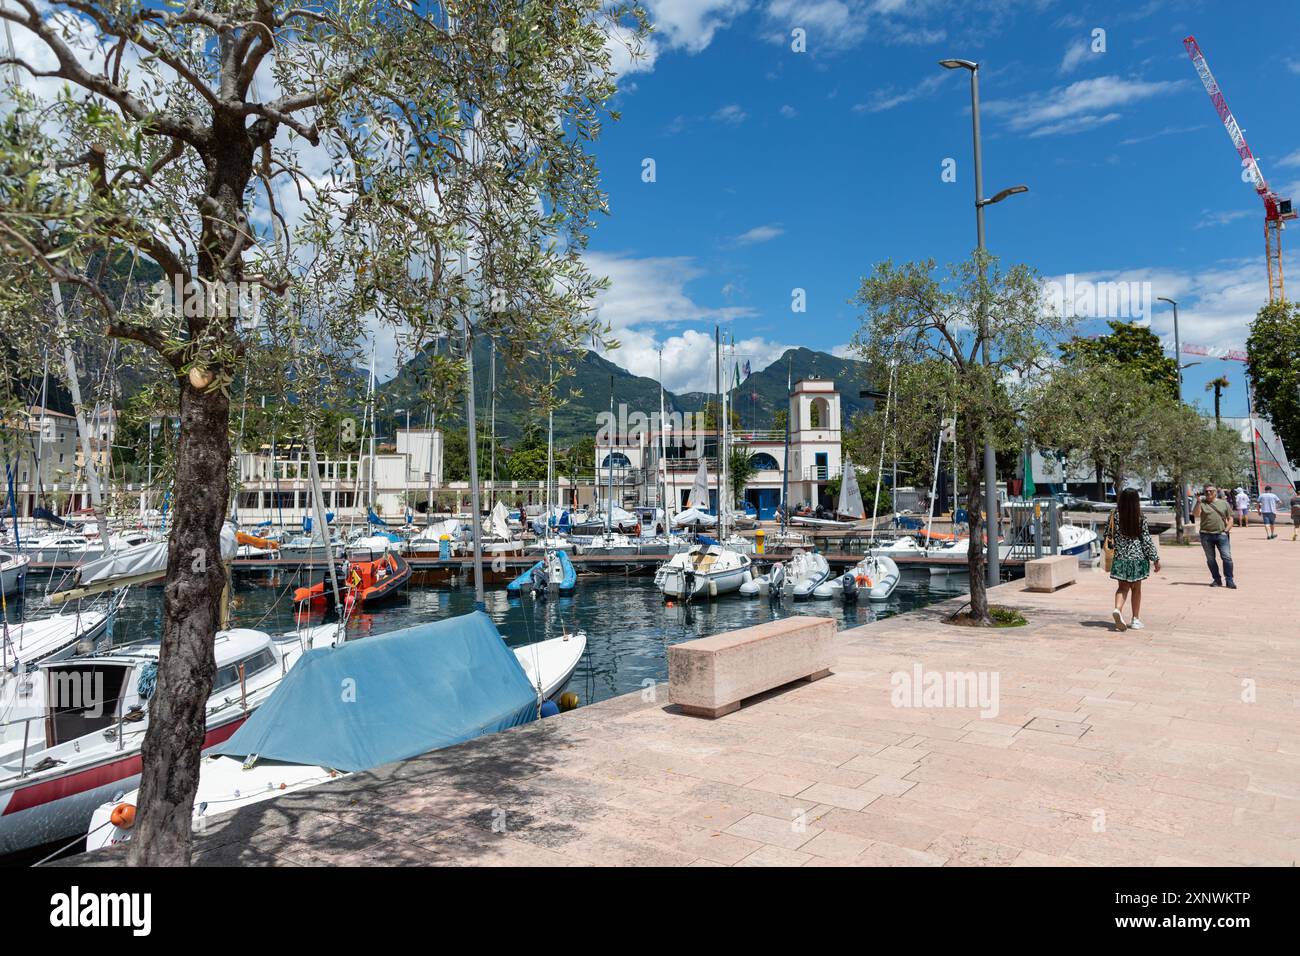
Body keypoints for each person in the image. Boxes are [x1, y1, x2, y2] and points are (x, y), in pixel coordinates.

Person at [1108, 488, 1161, 631]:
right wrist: (1155, 559)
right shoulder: (1140, 517)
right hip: (1138, 557)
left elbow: (1108, 533)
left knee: (1122, 587)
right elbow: (1146, 540)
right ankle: (1135, 619)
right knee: (1136, 589)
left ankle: (1117, 609)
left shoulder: (1114, 515)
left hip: (1120, 557)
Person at [1192, 482, 1235, 588]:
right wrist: (1197, 502)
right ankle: (1217, 579)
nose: (1208, 493)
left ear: (1215, 492)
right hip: (1206, 535)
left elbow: (1230, 519)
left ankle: (1229, 580)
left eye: (1211, 491)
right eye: (1206, 491)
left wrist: (1226, 530)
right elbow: (1196, 514)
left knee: (1227, 558)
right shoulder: (1202, 503)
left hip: (1221, 535)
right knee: (1210, 559)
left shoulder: (1224, 503)